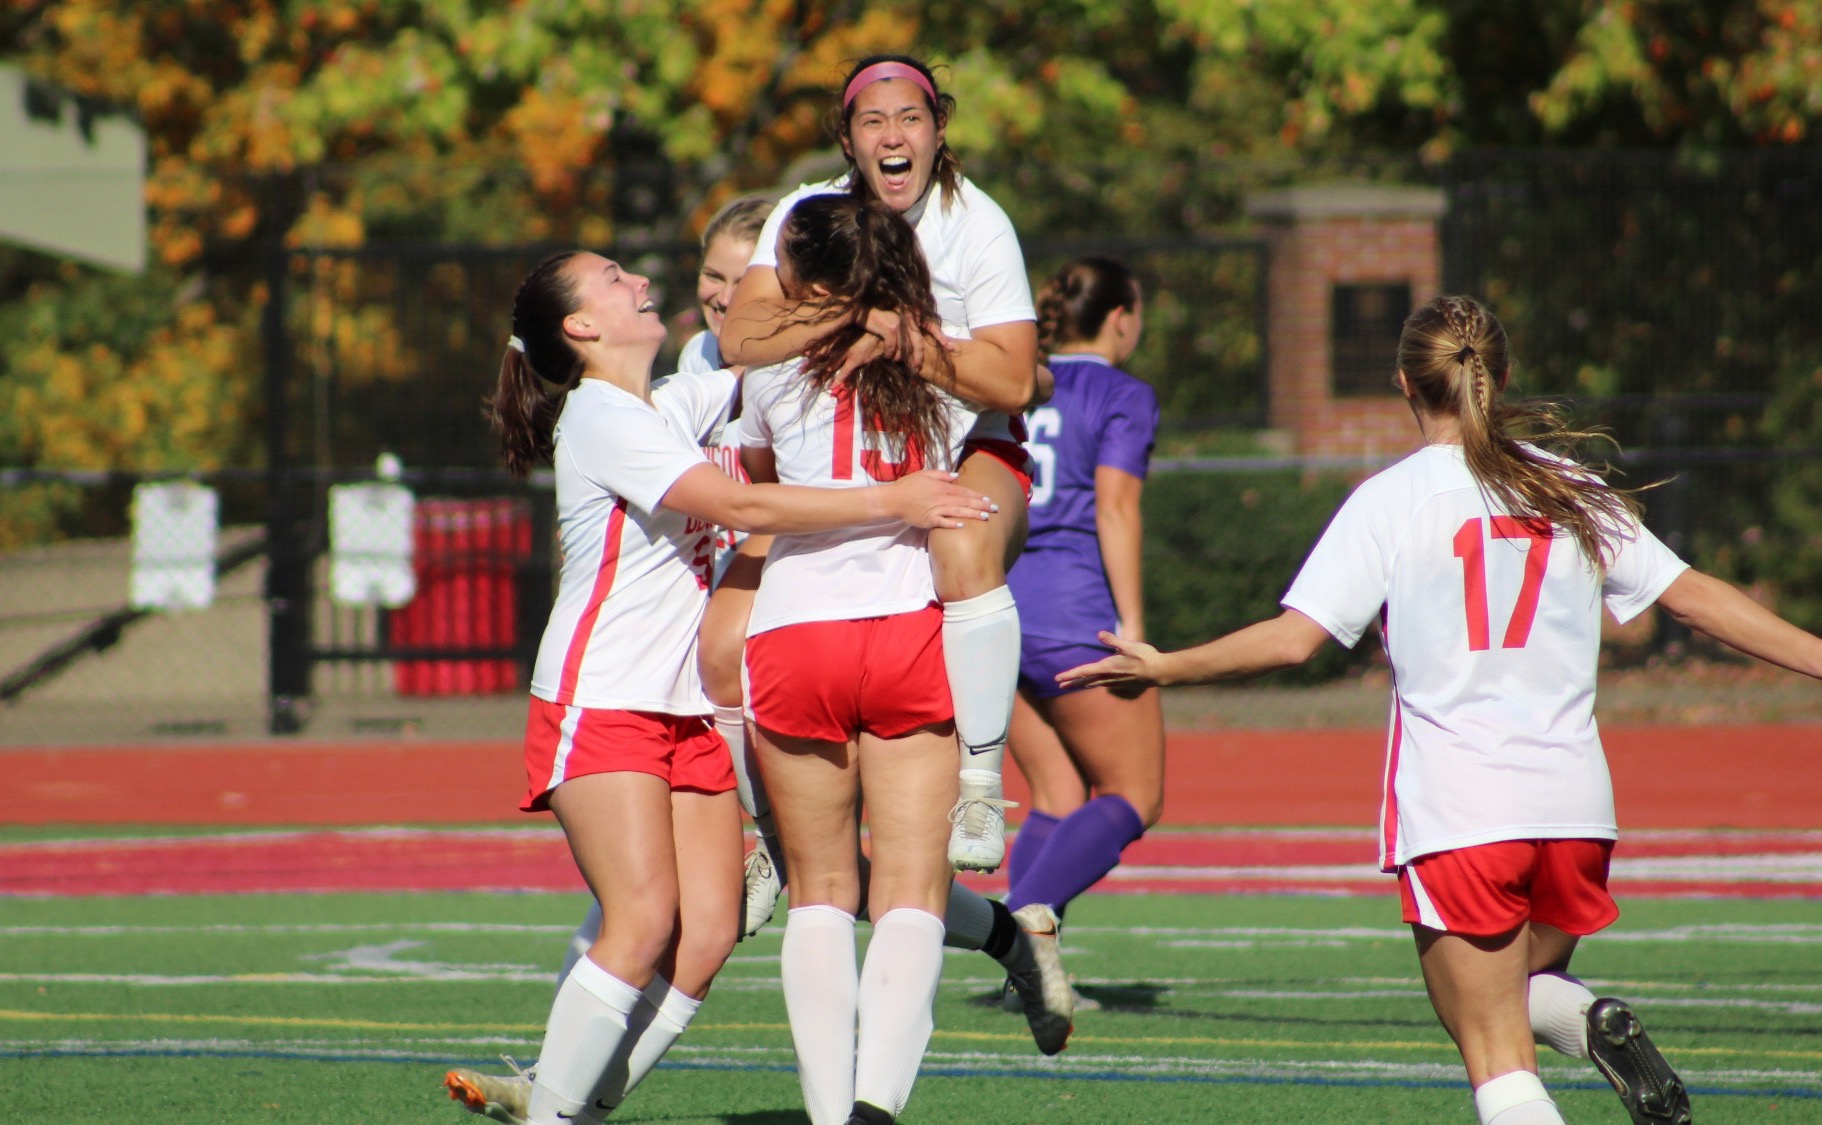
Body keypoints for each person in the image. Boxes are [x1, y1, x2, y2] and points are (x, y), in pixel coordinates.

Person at [1054, 295, 1822, 1125]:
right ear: (1502, 374)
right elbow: (1696, 597)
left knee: (1490, 1049)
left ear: (1404, 386)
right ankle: (1585, 1018)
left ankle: (1581, 1019)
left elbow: (1291, 642)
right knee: (1506, 996)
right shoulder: (1567, 483)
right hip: (1576, 809)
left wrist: (1167, 664)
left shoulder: (1394, 498)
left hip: (1462, 809)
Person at [447, 248, 994, 1125]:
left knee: (705, 933)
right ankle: (549, 1117)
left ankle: (568, 1106)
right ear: (582, 327)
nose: (637, 280)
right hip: (606, 699)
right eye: (613, 278)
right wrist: (892, 502)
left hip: (688, 708)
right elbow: (743, 508)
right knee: (640, 920)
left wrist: (858, 298)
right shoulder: (597, 418)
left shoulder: (662, 404)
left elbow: (750, 359)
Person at [740, 192, 1060, 1125]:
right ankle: (877, 1107)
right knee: (913, 890)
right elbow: (1006, 390)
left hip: (797, 631)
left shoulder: (763, 370)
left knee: (822, 894)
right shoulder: (936, 366)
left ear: (798, 278)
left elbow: (757, 471)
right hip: (909, 624)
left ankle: (828, 1113)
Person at [722, 53, 1046, 877]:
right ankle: (760, 836)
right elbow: (741, 337)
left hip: (965, 444)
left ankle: (980, 780)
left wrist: (901, 335)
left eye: (911, 118)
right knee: (724, 635)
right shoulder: (806, 212)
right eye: (874, 121)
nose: (893, 135)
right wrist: (856, 314)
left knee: (962, 543)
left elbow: (1013, 380)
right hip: (840, 472)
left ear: (939, 129)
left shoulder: (977, 221)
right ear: (847, 136)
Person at [1001, 258, 1165, 957]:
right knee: (1135, 794)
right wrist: (1132, 625)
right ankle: (1016, 929)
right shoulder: (1122, 393)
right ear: (1121, 319)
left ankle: (1023, 957)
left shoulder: (1012, 381)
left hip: (996, 610)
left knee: (1058, 793)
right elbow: (1115, 506)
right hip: (1076, 618)